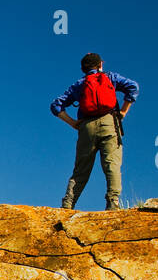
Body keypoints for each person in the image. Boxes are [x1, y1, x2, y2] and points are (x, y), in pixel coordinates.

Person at [50, 53, 139, 210]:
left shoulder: (80, 84)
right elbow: (133, 87)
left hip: (86, 128)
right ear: (100, 65)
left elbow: (56, 105)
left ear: (84, 69)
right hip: (109, 123)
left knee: (81, 169)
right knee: (112, 164)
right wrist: (123, 112)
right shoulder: (110, 77)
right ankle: (113, 202)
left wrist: (72, 123)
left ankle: (68, 203)